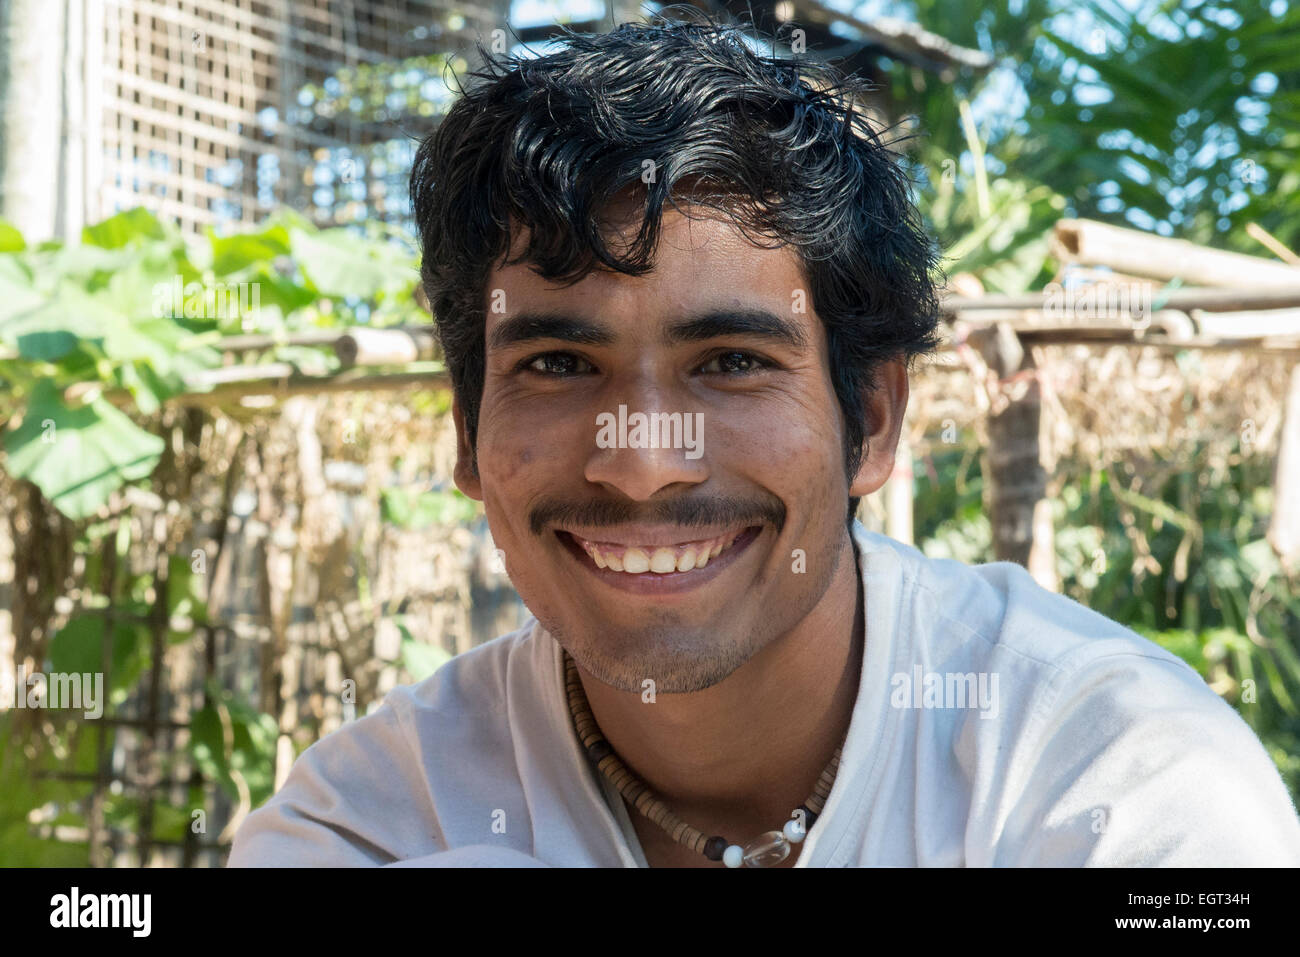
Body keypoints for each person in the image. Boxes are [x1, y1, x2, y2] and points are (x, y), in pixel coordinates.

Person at [228, 16, 1300, 867]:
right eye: (557, 365)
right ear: (467, 438)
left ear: (870, 422)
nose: (644, 460)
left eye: (732, 362)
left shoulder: (1109, 783)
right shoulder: (375, 830)